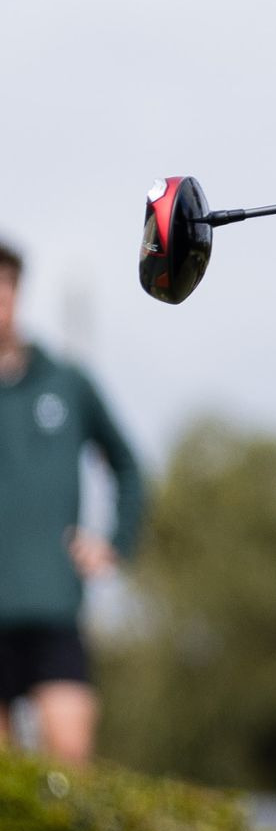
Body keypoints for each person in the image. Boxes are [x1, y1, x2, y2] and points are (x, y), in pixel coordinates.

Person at [0, 238, 144, 764]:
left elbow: (129, 465)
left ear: (16, 293)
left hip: (53, 606)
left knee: (70, 760)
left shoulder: (67, 384)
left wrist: (114, 541)